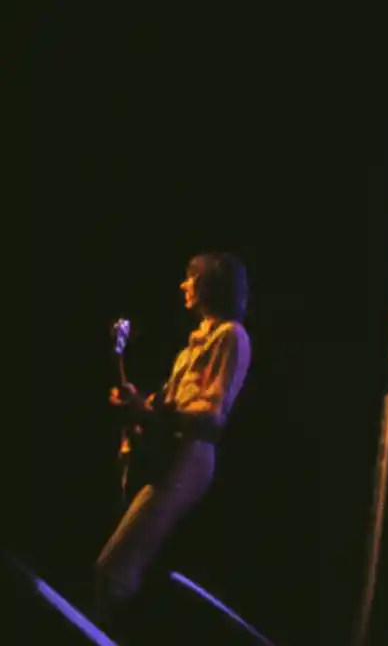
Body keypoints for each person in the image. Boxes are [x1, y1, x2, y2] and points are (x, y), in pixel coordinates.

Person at [94, 252, 252, 625]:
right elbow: (170, 406)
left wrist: (148, 414)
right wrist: (139, 403)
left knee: (114, 568)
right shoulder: (192, 346)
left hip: (189, 458)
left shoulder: (231, 335)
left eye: (191, 277)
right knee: (124, 562)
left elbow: (212, 415)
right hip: (172, 454)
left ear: (211, 284)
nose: (184, 285)